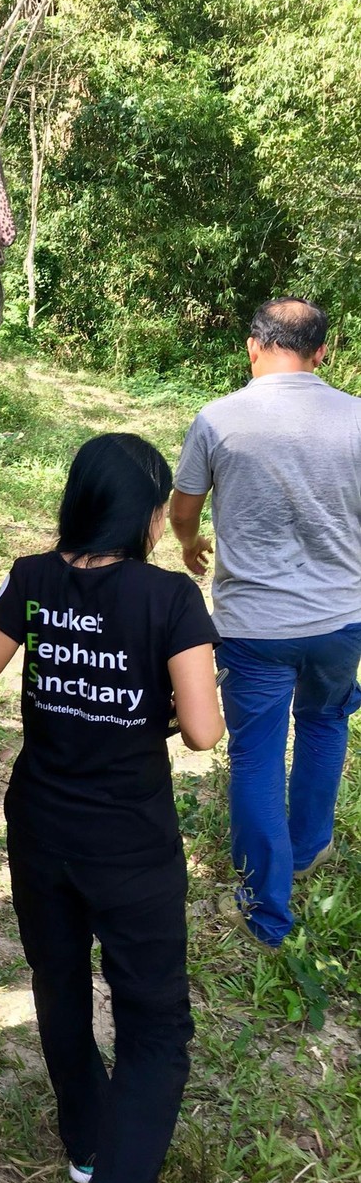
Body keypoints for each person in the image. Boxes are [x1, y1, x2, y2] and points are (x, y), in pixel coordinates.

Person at [0, 433, 223, 1183]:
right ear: (149, 518)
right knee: (155, 1027)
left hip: (40, 831)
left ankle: (88, 1138)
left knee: (58, 983)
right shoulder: (171, 600)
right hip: (131, 847)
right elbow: (201, 730)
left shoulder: (30, 578)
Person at [170, 296, 361, 951]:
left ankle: (264, 910)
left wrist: (190, 544)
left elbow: (184, 506)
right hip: (341, 620)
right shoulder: (358, 419)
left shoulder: (219, 420)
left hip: (255, 627)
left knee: (255, 755)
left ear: (253, 346)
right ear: (322, 352)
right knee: (325, 722)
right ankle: (308, 847)